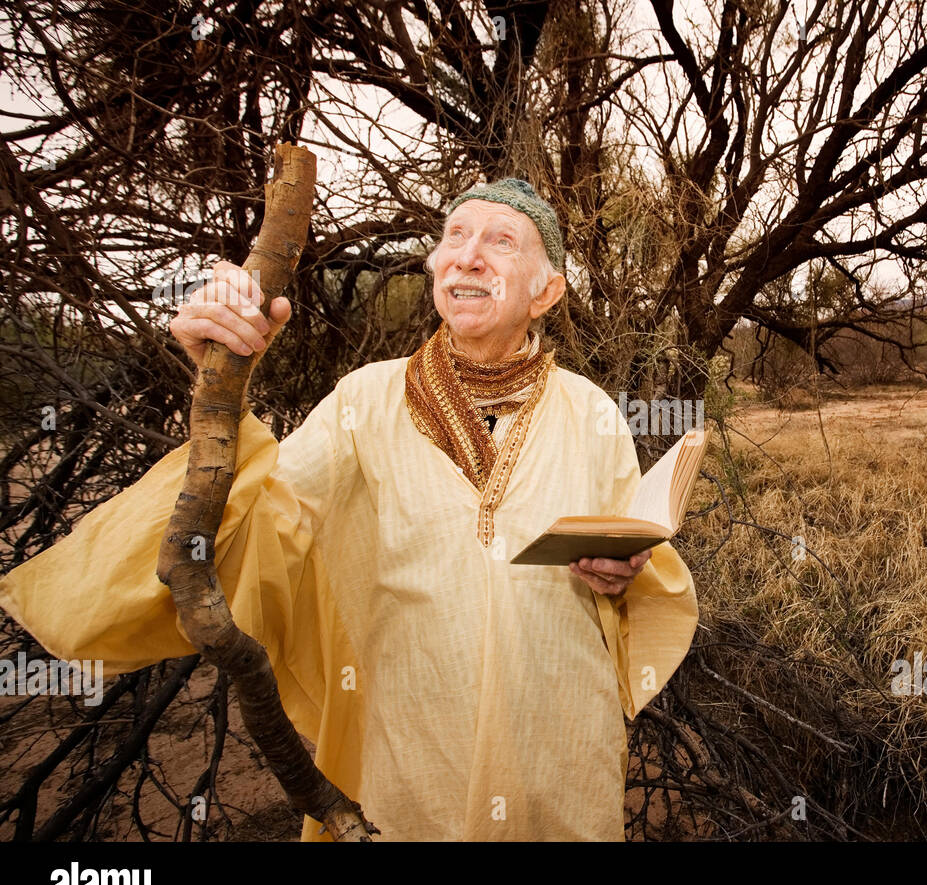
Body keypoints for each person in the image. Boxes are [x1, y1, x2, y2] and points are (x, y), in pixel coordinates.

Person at [0, 177, 700, 841]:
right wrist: (221, 383)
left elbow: (635, 557)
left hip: (563, 750)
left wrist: (627, 572)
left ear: (547, 292)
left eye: (502, 242)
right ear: (433, 269)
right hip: (410, 752)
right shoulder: (366, 398)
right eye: (455, 236)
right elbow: (254, 526)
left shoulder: (591, 410)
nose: (470, 254)